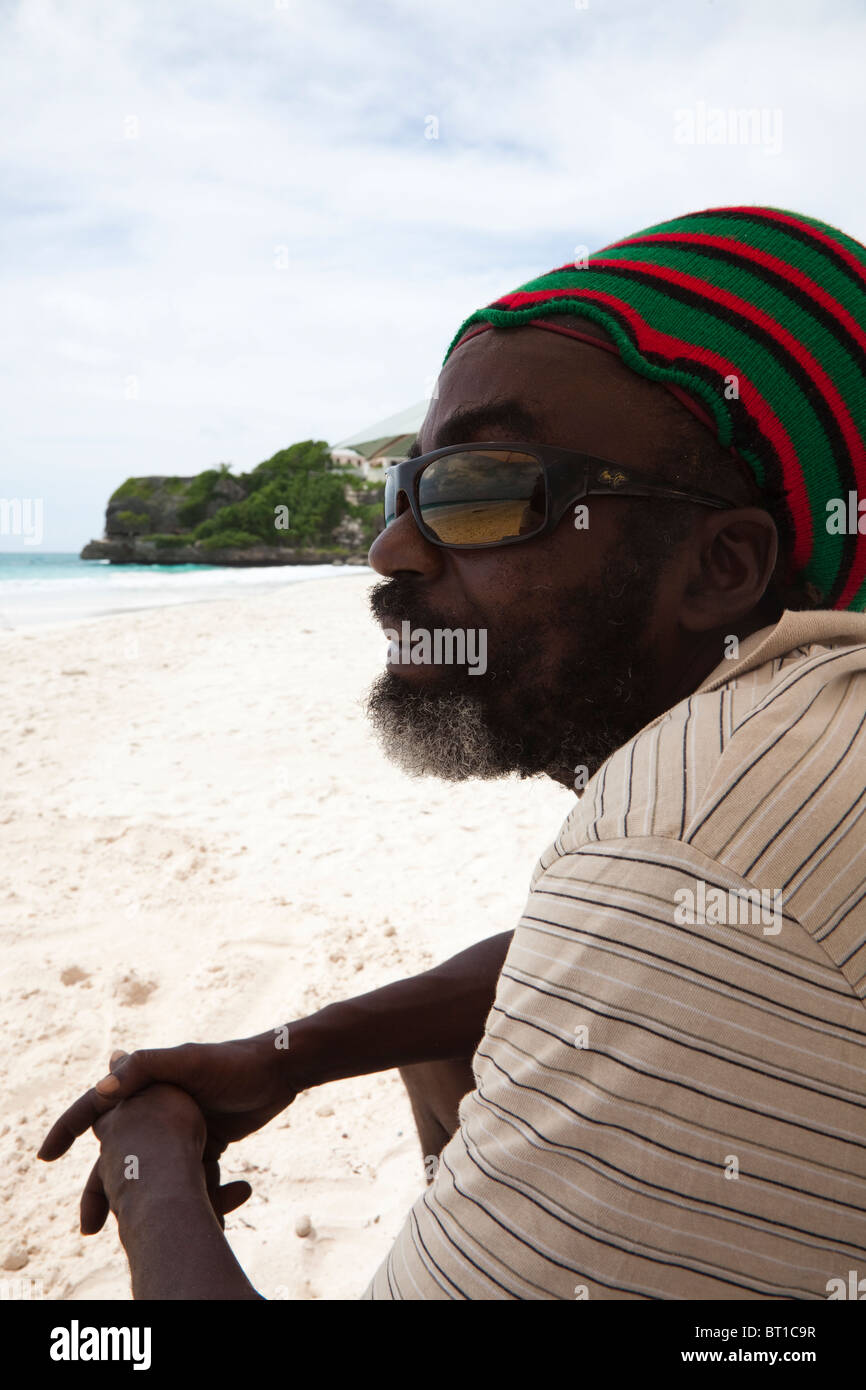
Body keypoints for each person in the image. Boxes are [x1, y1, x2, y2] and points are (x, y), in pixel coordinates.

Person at [39, 205, 866, 1300]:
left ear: (720, 565)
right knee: (442, 1041)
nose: (390, 548)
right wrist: (289, 1051)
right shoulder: (797, 728)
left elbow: (666, 910)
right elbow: (568, 955)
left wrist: (150, 1173)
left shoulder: (684, 840)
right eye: (404, 490)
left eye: (480, 491)